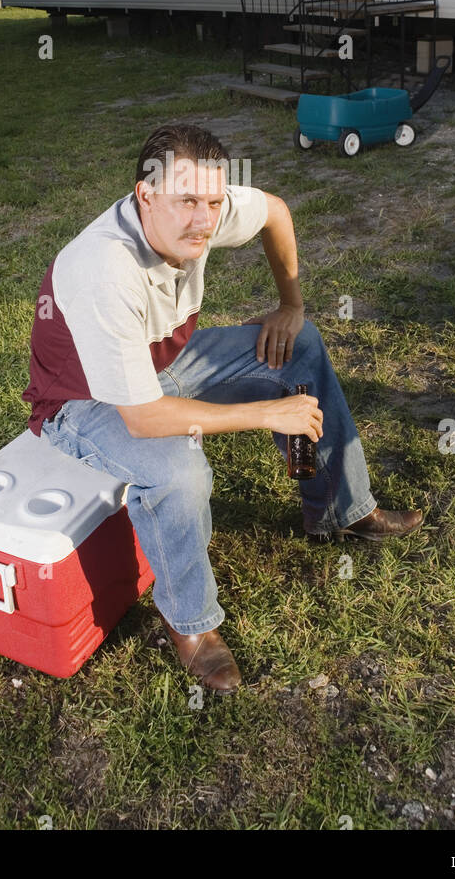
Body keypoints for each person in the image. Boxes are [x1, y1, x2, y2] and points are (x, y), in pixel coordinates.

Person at [23, 123, 422, 693]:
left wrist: (291, 305)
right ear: (146, 195)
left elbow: (276, 212)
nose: (204, 219)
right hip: (83, 402)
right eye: (187, 202)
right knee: (178, 469)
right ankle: (191, 625)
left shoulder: (202, 206)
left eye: (212, 201)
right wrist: (267, 414)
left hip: (162, 366)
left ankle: (341, 507)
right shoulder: (104, 269)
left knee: (299, 348)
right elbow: (144, 418)